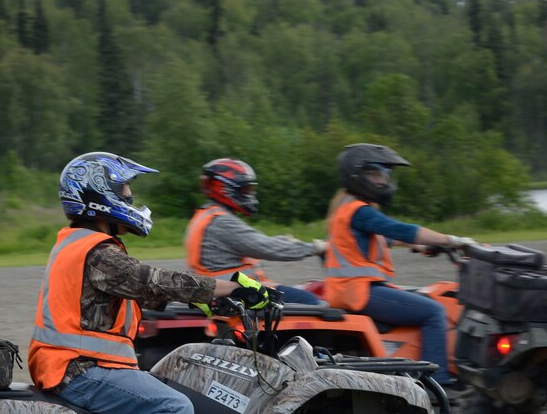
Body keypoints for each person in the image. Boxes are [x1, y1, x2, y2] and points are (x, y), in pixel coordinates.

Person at [29, 152, 274, 414]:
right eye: (124, 190)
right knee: (173, 408)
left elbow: (143, 292)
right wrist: (230, 287)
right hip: (80, 370)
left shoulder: (80, 245)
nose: (130, 198)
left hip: (77, 365)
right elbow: (151, 280)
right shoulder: (98, 253)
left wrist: (206, 302)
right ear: (99, 195)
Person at [323, 143, 475, 386]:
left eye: (384, 174)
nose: (382, 180)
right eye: (375, 174)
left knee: (426, 299)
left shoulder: (346, 208)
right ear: (357, 176)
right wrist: (451, 240)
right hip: (359, 292)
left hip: (350, 290)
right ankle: (438, 383)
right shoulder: (359, 211)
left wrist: (422, 246)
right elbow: (400, 229)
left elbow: (383, 238)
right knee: (434, 312)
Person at [185, 158, 327, 306]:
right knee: (309, 300)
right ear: (224, 188)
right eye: (246, 190)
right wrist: (316, 248)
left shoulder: (207, 215)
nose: (249, 195)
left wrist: (283, 240)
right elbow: (268, 248)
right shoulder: (222, 222)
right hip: (234, 295)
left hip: (222, 292)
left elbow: (254, 240)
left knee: (307, 288)